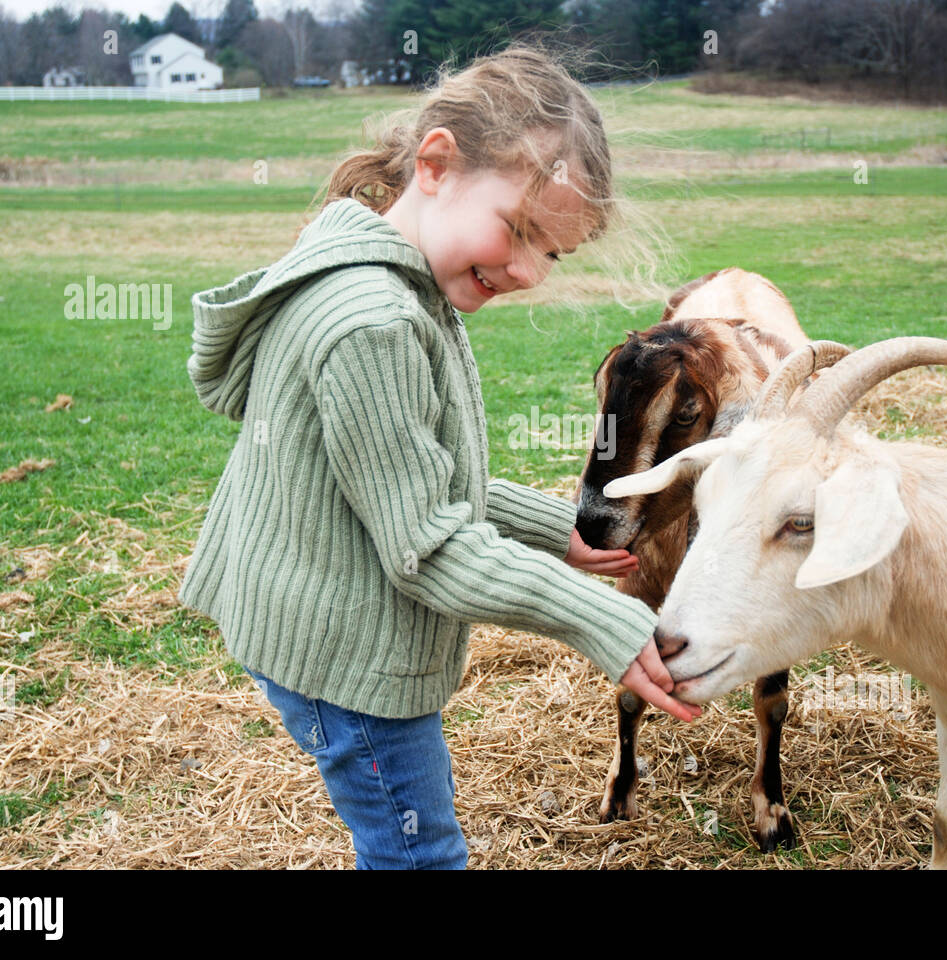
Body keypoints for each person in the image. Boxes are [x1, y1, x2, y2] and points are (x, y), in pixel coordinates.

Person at [177, 44, 698, 870]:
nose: (527, 269)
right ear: (435, 164)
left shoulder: (400, 279)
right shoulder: (373, 320)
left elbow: (411, 471)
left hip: (327, 631)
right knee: (418, 855)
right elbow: (428, 547)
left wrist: (553, 526)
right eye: (520, 230)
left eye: (553, 253)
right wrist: (603, 618)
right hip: (348, 664)